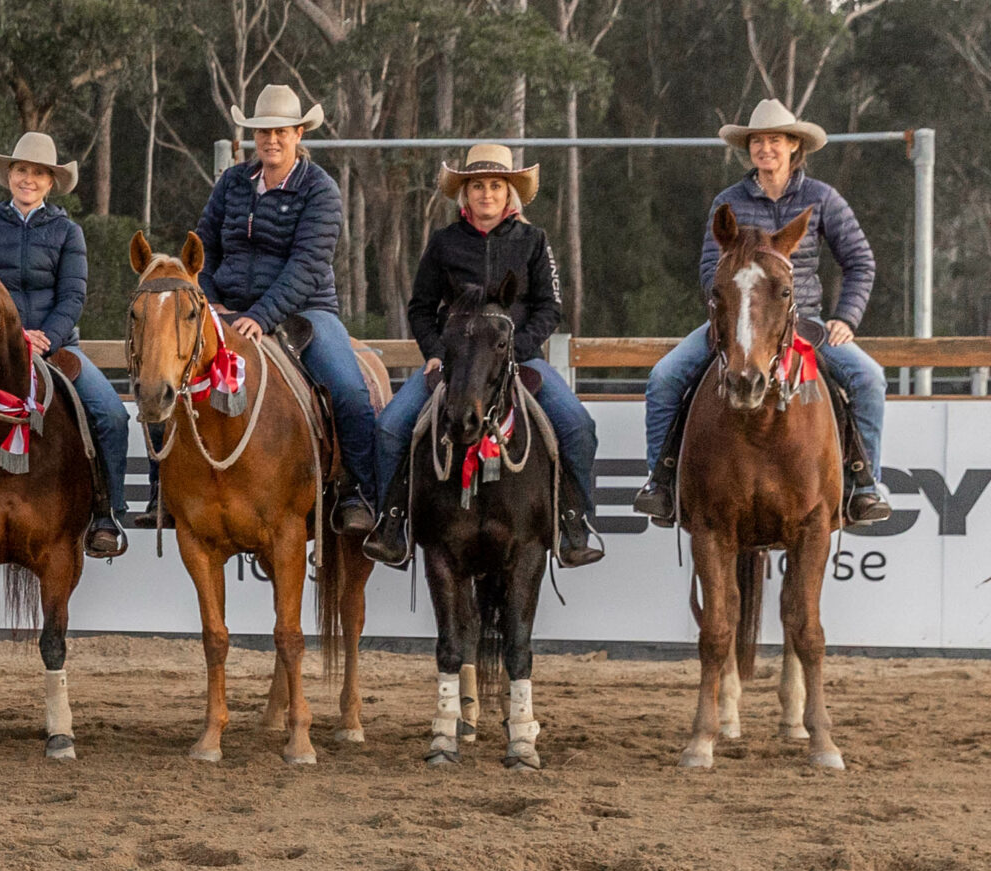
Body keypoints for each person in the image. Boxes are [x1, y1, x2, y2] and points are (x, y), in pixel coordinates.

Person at [631, 100, 890, 528]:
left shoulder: (823, 198)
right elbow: (707, 268)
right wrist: (727, 314)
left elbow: (860, 261)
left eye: (775, 140)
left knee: (869, 378)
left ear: (794, 145)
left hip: (802, 321)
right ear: (749, 148)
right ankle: (661, 481)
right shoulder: (728, 201)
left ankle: (864, 485)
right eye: (757, 141)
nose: (765, 148)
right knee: (664, 378)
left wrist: (846, 318)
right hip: (735, 320)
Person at [365, 144, 602, 568]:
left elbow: (550, 308)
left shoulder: (533, 241)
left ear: (509, 191)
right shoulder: (443, 244)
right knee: (390, 428)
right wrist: (436, 354)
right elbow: (420, 308)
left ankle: (574, 522)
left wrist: (519, 349)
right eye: (477, 186)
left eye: (496, 185)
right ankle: (392, 520)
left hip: (519, 358)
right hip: (453, 363)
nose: (486, 194)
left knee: (578, 425)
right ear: (465, 193)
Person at [0, 131, 130, 557]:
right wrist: (7, 336)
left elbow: (73, 295)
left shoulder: (68, 232)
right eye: (20, 170)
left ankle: (108, 513)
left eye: (37, 173)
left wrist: (44, 336)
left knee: (112, 415)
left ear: (51, 182)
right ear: (8, 175)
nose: (27, 179)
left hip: (55, 346)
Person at [185, 85, 379, 531]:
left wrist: (261, 317)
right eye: (264, 132)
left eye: (282, 132)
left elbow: (307, 266)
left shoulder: (320, 190)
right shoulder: (231, 183)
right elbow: (203, 247)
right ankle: (167, 490)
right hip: (228, 308)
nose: (272, 140)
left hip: (304, 313)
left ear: (298, 134)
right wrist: (211, 298)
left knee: (349, 393)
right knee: (170, 375)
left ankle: (360, 494)